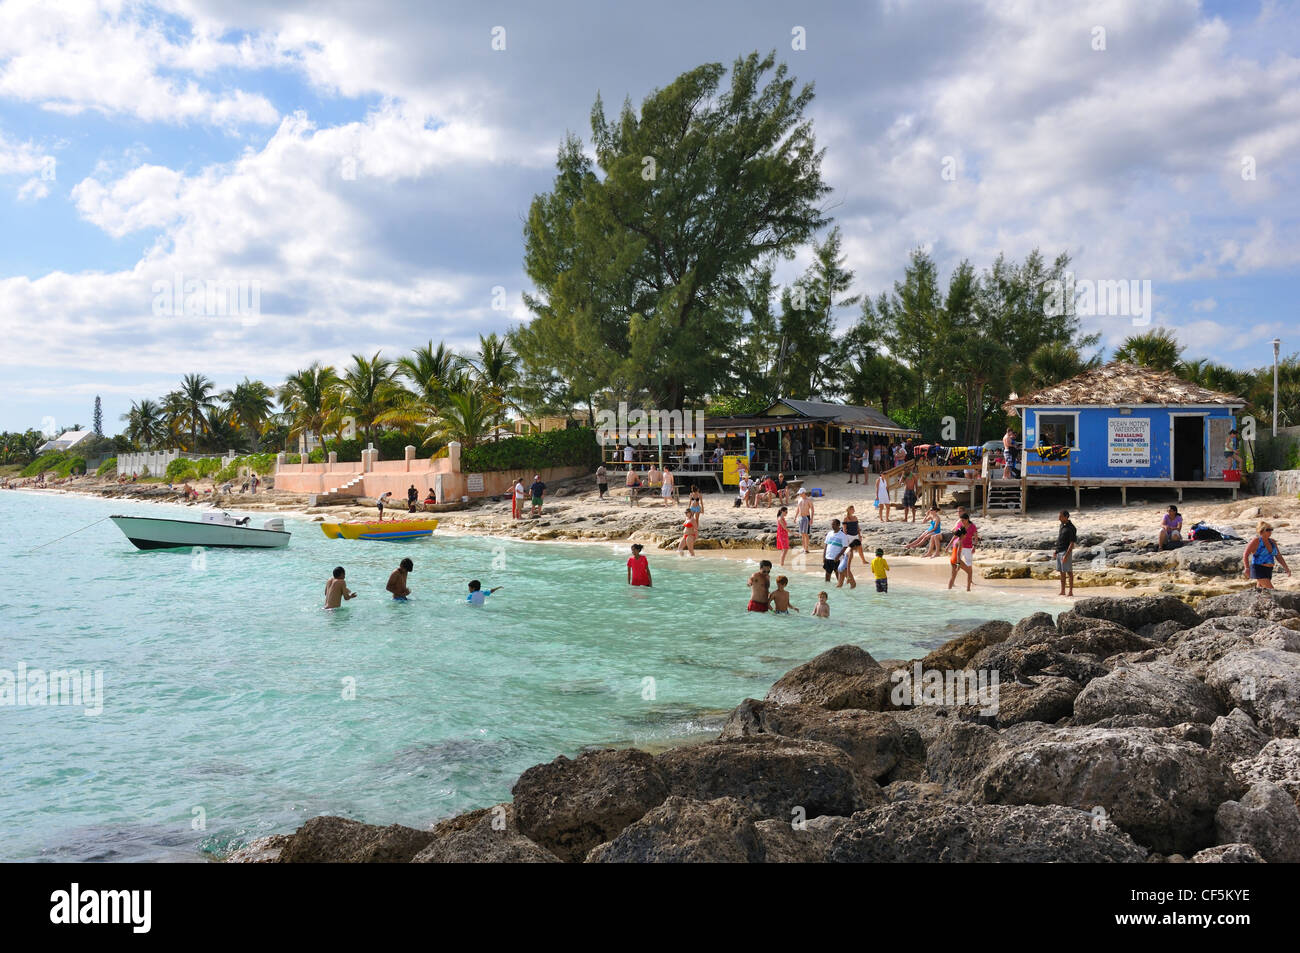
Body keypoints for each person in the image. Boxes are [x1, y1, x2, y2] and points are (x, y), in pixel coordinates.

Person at [1244, 522, 1291, 589]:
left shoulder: (1272, 542)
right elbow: (1246, 554)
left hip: (1268, 570)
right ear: (1261, 531)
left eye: (1271, 529)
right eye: (1268, 530)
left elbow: (1278, 556)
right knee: (1271, 590)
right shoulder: (1256, 541)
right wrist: (1247, 568)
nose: (1270, 531)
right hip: (1258, 568)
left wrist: (1286, 568)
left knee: (1262, 591)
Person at [947, 513, 977, 592]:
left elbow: (975, 536)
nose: (961, 522)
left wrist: (974, 546)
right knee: (969, 572)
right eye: (961, 520)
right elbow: (958, 555)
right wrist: (958, 565)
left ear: (967, 519)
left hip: (962, 553)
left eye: (963, 520)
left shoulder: (972, 527)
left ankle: (949, 590)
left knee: (954, 575)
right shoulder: (960, 541)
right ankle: (968, 589)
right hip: (956, 559)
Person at [1055, 509, 1077, 597]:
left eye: (1060, 516)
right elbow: (1060, 539)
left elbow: (1072, 543)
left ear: (1066, 517)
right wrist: (1056, 551)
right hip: (1059, 551)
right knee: (1061, 572)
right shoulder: (1061, 525)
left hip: (1066, 552)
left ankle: (1071, 591)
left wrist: (1066, 556)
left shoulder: (1072, 528)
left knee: (1069, 572)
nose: (1059, 518)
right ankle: (1063, 591)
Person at [822, 519, 848, 583]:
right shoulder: (829, 533)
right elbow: (826, 545)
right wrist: (824, 556)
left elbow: (845, 547)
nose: (832, 526)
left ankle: (839, 589)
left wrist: (838, 556)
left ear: (838, 525)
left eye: (833, 524)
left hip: (837, 559)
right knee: (827, 576)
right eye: (832, 524)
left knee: (838, 576)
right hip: (828, 558)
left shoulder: (842, 535)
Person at [795, 488, 815, 553]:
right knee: (802, 534)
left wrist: (811, 519)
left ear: (804, 493)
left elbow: (812, 509)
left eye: (801, 493)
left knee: (806, 533)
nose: (800, 494)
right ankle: (803, 547)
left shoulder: (808, 500)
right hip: (800, 517)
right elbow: (798, 509)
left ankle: (806, 548)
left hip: (806, 517)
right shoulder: (799, 500)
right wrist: (795, 517)